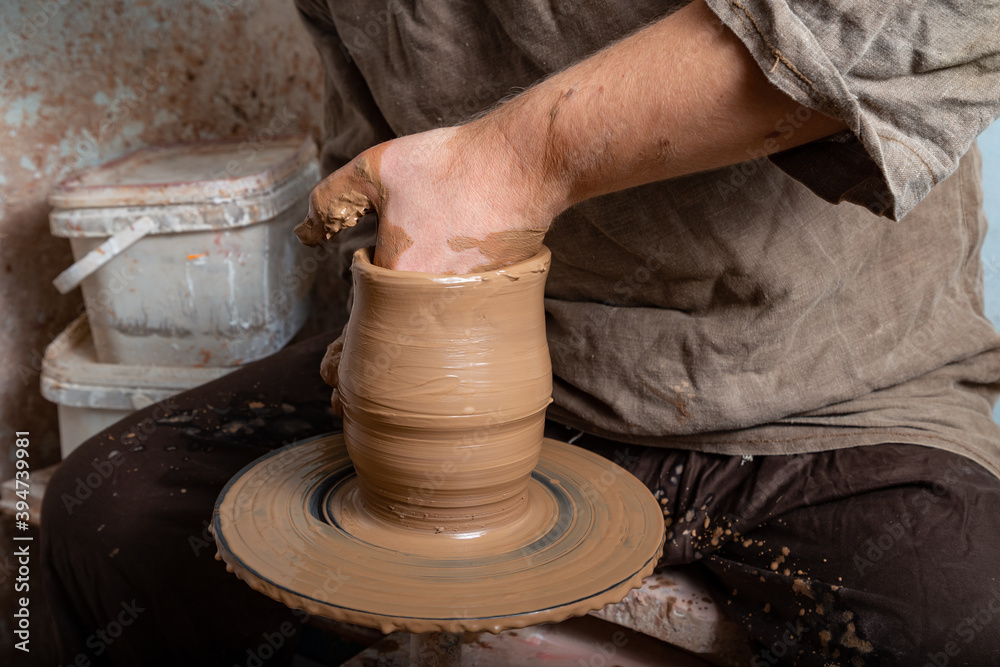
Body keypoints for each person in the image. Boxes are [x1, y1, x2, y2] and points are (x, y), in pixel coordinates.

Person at [41, 0, 1000, 665]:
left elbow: (921, 26)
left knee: (959, 623)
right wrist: (370, 318)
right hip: (496, 372)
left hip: (830, 382)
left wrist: (518, 158)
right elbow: (368, 147)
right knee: (110, 517)